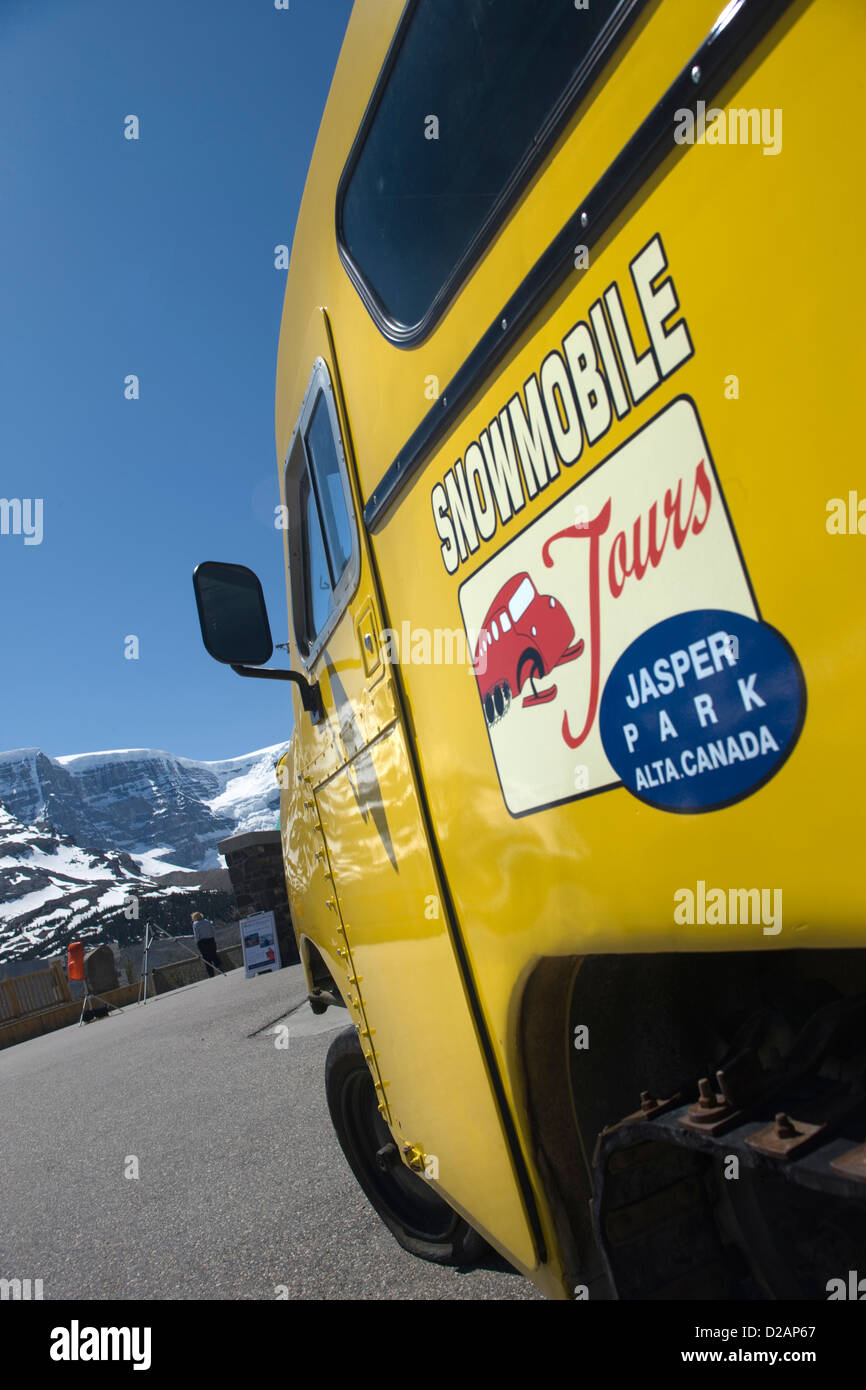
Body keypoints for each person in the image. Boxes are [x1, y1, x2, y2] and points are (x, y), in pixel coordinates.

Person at [191, 912, 221, 978]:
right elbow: (212, 931)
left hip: (202, 942)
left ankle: (211, 974)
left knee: (206, 958)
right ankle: (220, 968)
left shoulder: (195, 924)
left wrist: (197, 942)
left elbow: (197, 935)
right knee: (214, 954)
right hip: (211, 940)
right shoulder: (207, 921)